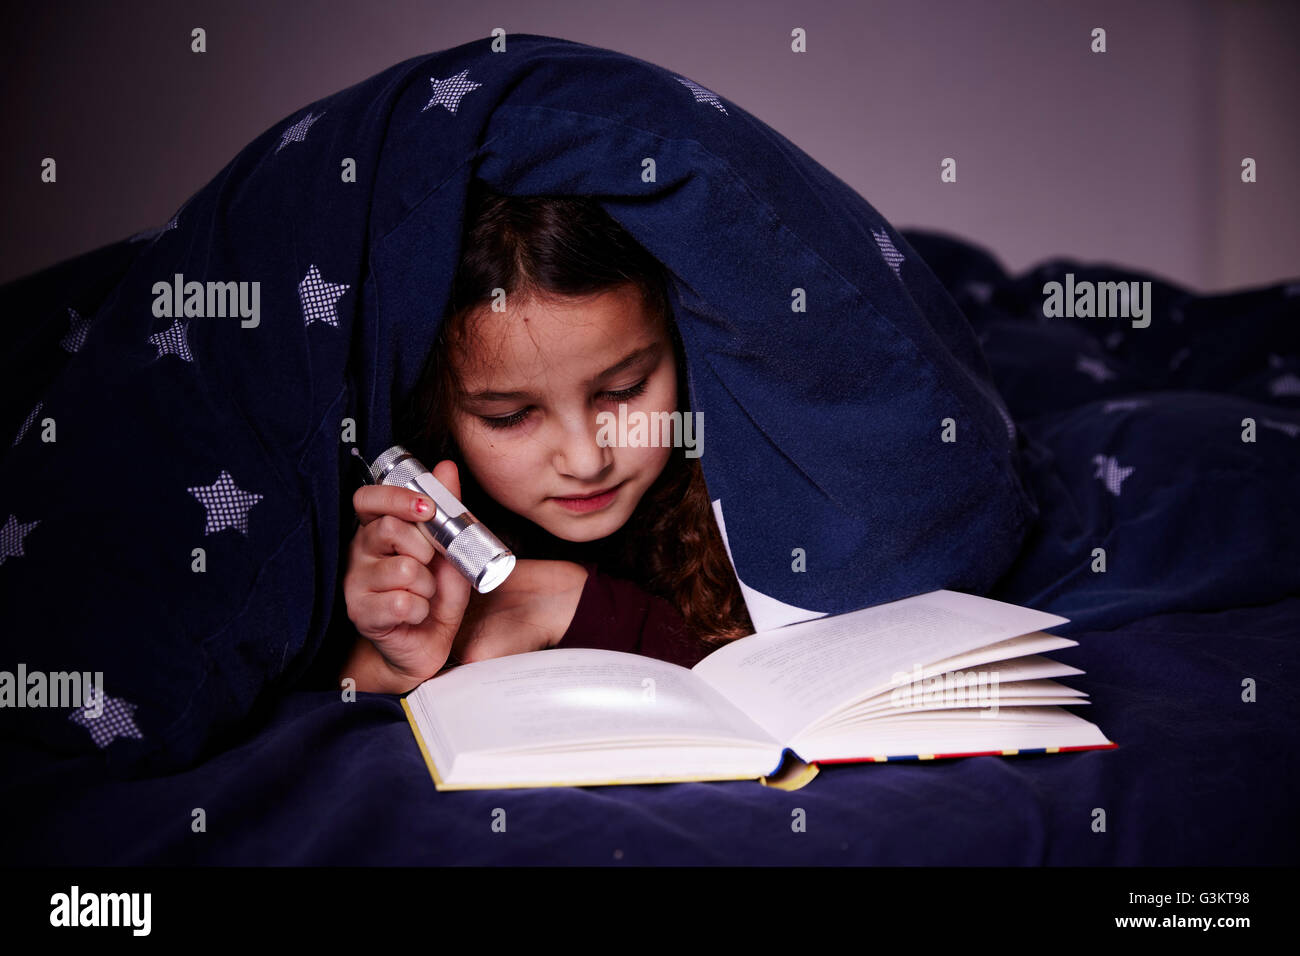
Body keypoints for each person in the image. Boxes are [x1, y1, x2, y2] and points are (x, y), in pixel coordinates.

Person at [338, 181, 754, 694]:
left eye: (624, 390)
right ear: (439, 409)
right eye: (510, 416)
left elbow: (766, 698)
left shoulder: (750, 485)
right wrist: (392, 663)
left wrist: (570, 601)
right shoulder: (394, 554)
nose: (585, 459)